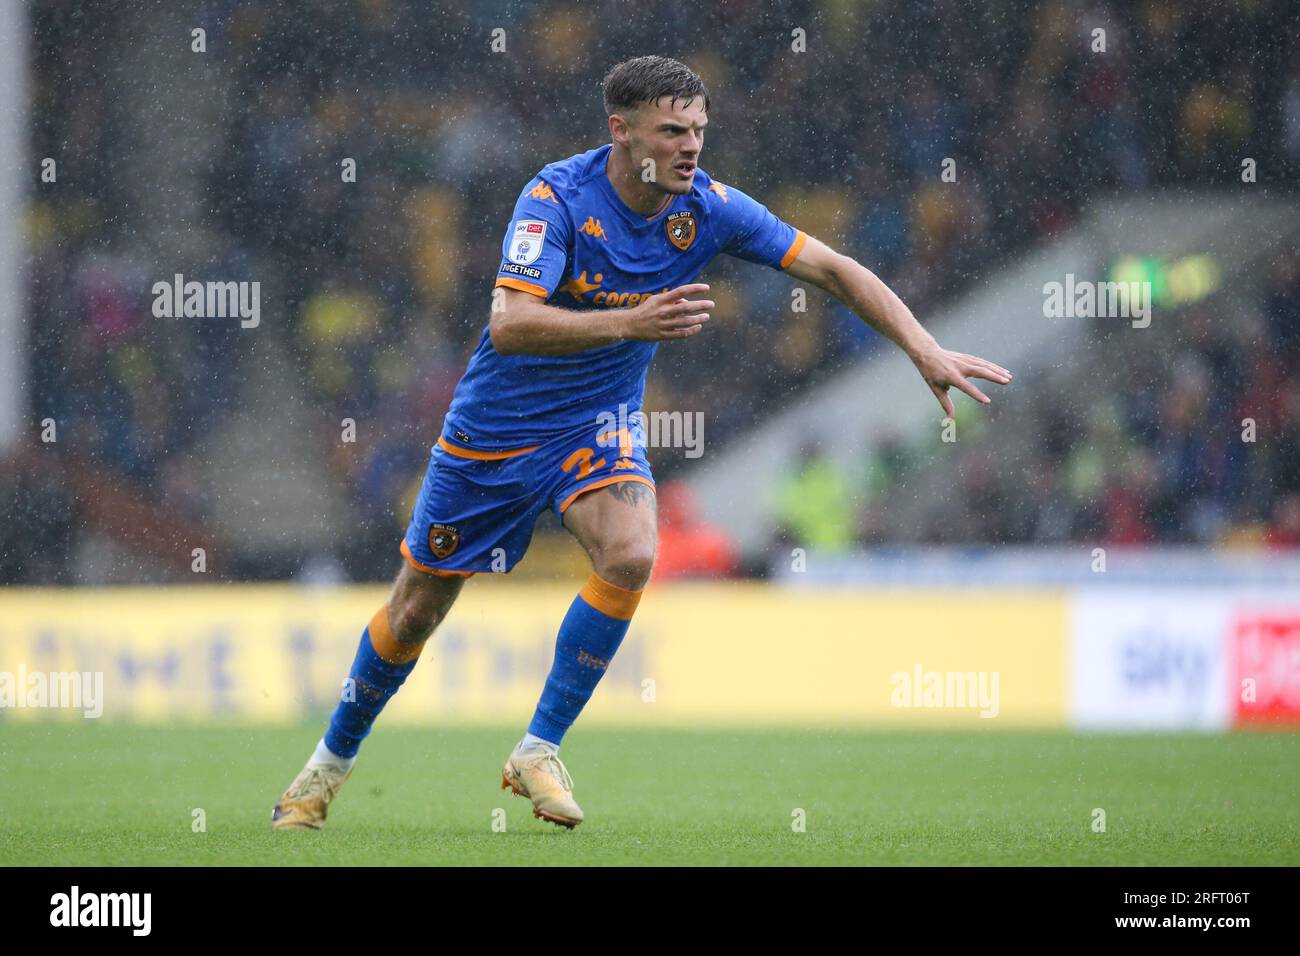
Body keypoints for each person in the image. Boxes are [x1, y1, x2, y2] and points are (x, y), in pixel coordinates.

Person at [272, 55, 1011, 831]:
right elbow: (510, 323)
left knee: (630, 553)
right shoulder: (554, 197)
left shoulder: (711, 208)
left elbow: (830, 266)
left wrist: (923, 347)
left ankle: (538, 749)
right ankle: (326, 767)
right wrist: (630, 321)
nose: (691, 145)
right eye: (672, 130)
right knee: (417, 608)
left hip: (597, 426)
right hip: (495, 432)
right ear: (620, 132)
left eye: (698, 129)